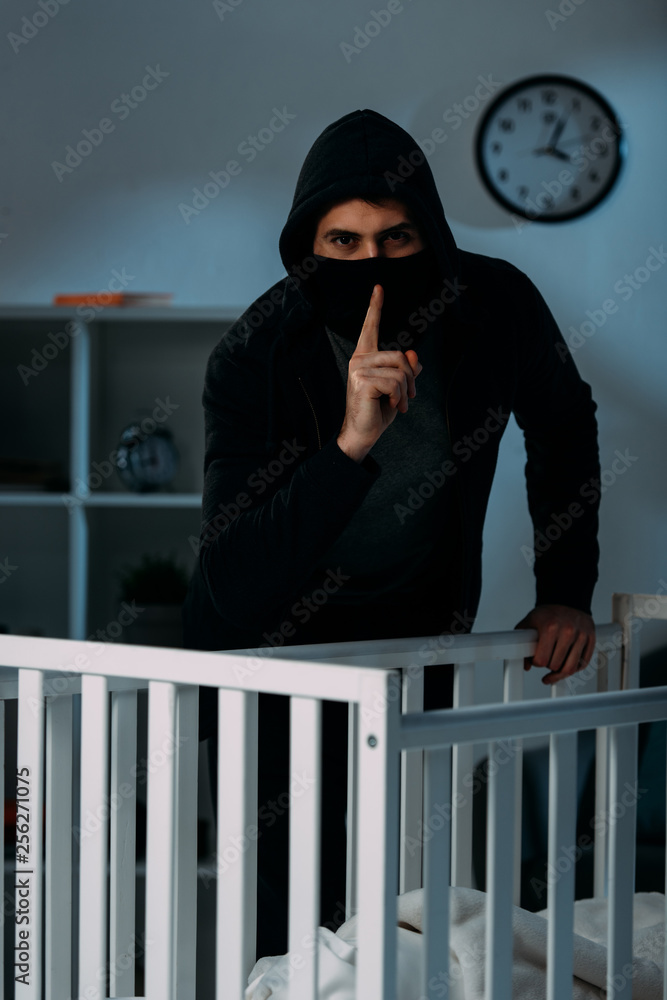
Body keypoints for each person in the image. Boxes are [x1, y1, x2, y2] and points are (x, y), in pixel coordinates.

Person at [182, 109, 601, 956]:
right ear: (307, 247)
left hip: (414, 637)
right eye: (343, 243)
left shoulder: (495, 304)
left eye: (396, 239)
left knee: (411, 898)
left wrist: (563, 590)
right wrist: (350, 444)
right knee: (290, 916)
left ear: (431, 237)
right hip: (269, 656)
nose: (370, 264)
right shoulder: (256, 354)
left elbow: (563, 423)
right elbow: (236, 578)